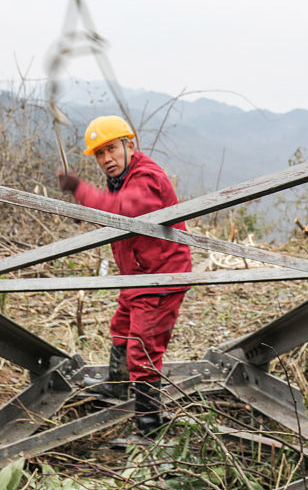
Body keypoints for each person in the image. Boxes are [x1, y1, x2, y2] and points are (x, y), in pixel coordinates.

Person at [55, 115, 191, 438]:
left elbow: (123, 210)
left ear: (131, 145)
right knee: (121, 327)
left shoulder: (147, 179)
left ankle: (148, 430)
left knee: (142, 349)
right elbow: (114, 213)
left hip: (162, 276)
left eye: (112, 149)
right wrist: (85, 209)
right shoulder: (119, 178)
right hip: (137, 274)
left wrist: (79, 191)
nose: (107, 160)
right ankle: (116, 387)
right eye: (100, 154)